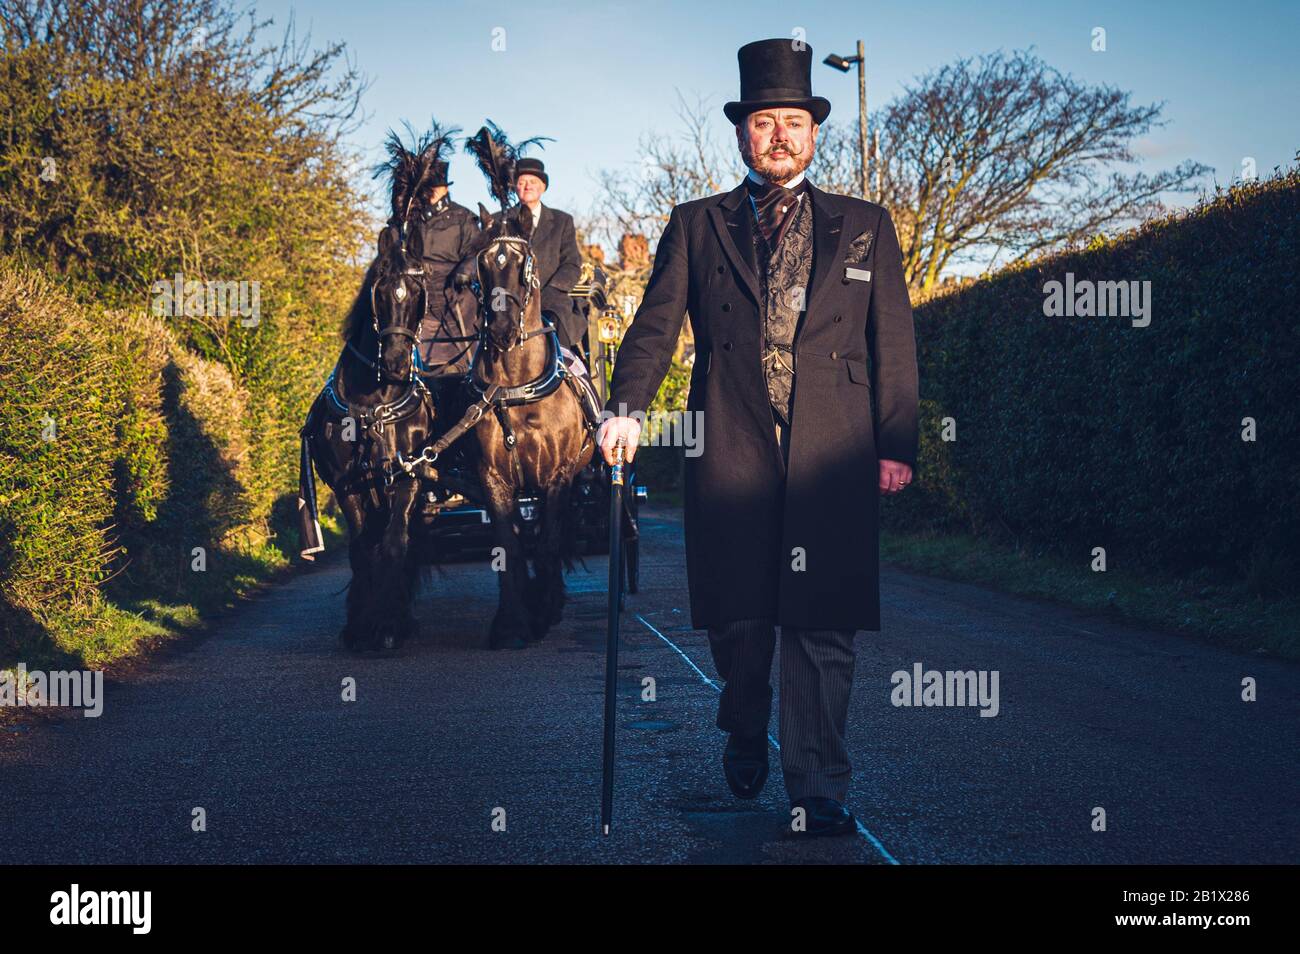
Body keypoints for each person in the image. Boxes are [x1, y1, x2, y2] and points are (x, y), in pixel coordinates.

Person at [597, 38, 919, 837]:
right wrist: (627, 407)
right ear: (741, 134)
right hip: (730, 442)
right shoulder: (695, 226)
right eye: (764, 122)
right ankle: (745, 719)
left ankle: (818, 785)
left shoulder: (865, 227)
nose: (779, 135)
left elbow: (896, 343)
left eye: (794, 122)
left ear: (814, 133)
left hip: (832, 448)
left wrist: (896, 442)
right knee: (739, 617)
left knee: (822, 622)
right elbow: (654, 327)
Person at [511, 157, 601, 425]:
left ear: (543, 187)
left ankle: (584, 403)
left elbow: (572, 264)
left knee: (560, 332)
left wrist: (545, 295)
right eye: (522, 181)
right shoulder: (503, 221)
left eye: (533, 182)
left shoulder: (562, 221)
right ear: (515, 187)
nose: (527, 186)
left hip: (551, 302)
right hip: (511, 305)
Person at [409, 156, 480, 378]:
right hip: (419, 286)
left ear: (443, 189)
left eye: (433, 187)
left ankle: (460, 368)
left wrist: (465, 271)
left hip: (453, 290)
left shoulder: (463, 217)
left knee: (469, 311)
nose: (429, 192)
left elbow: (476, 251)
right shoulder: (412, 218)